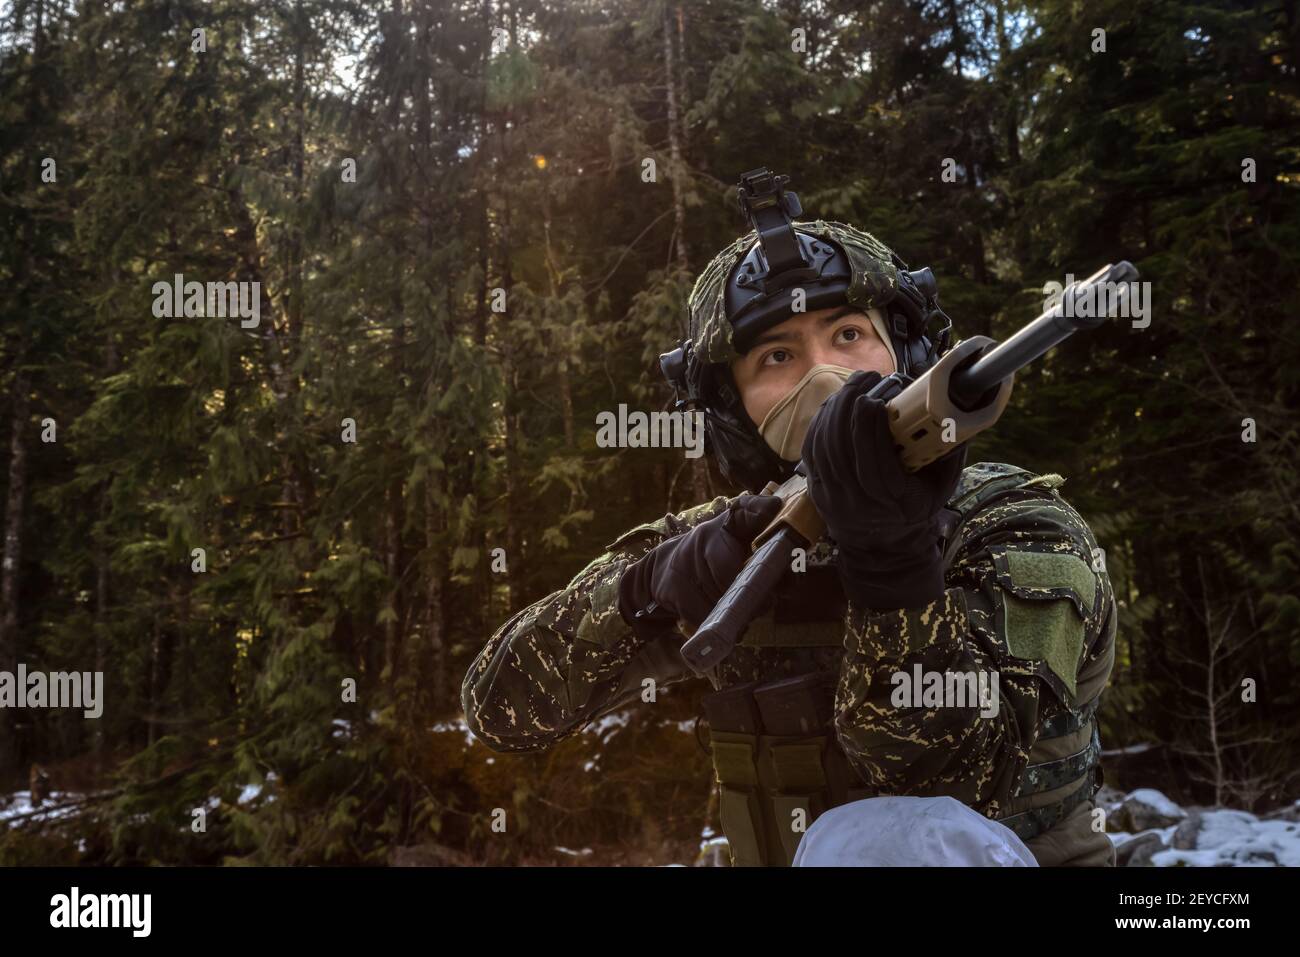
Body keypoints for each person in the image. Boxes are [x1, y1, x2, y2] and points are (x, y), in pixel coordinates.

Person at [462, 168, 1117, 867]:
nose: (824, 375)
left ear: (906, 351)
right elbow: (498, 708)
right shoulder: (732, 533)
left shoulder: (1019, 524)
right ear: (729, 410)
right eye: (778, 354)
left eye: (848, 333)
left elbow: (945, 792)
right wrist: (648, 587)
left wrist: (891, 563)